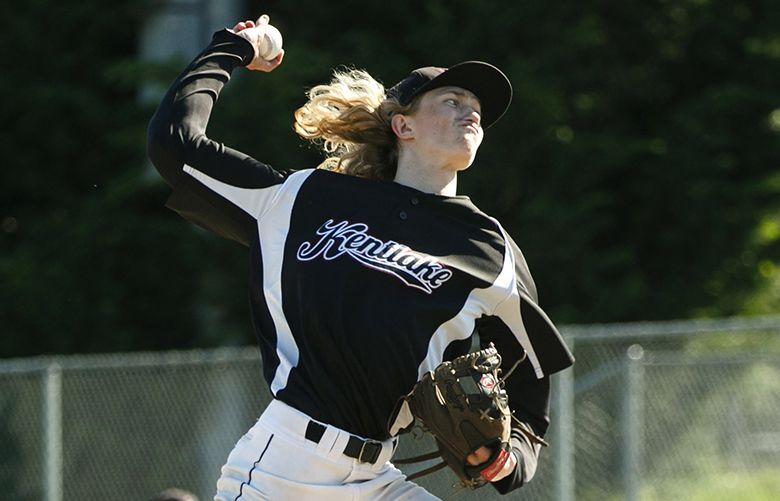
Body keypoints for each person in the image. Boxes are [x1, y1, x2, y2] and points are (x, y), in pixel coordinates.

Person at [147, 14, 574, 500]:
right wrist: (235, 47)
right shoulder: (305, 200)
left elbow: (531, 365)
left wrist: (514, 455)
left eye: (477, 108)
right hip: (283, 469)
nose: (471, 113)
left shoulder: (489, 248)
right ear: (402, 125)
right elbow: (174, 146)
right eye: (452, 101)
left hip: (375, 480)